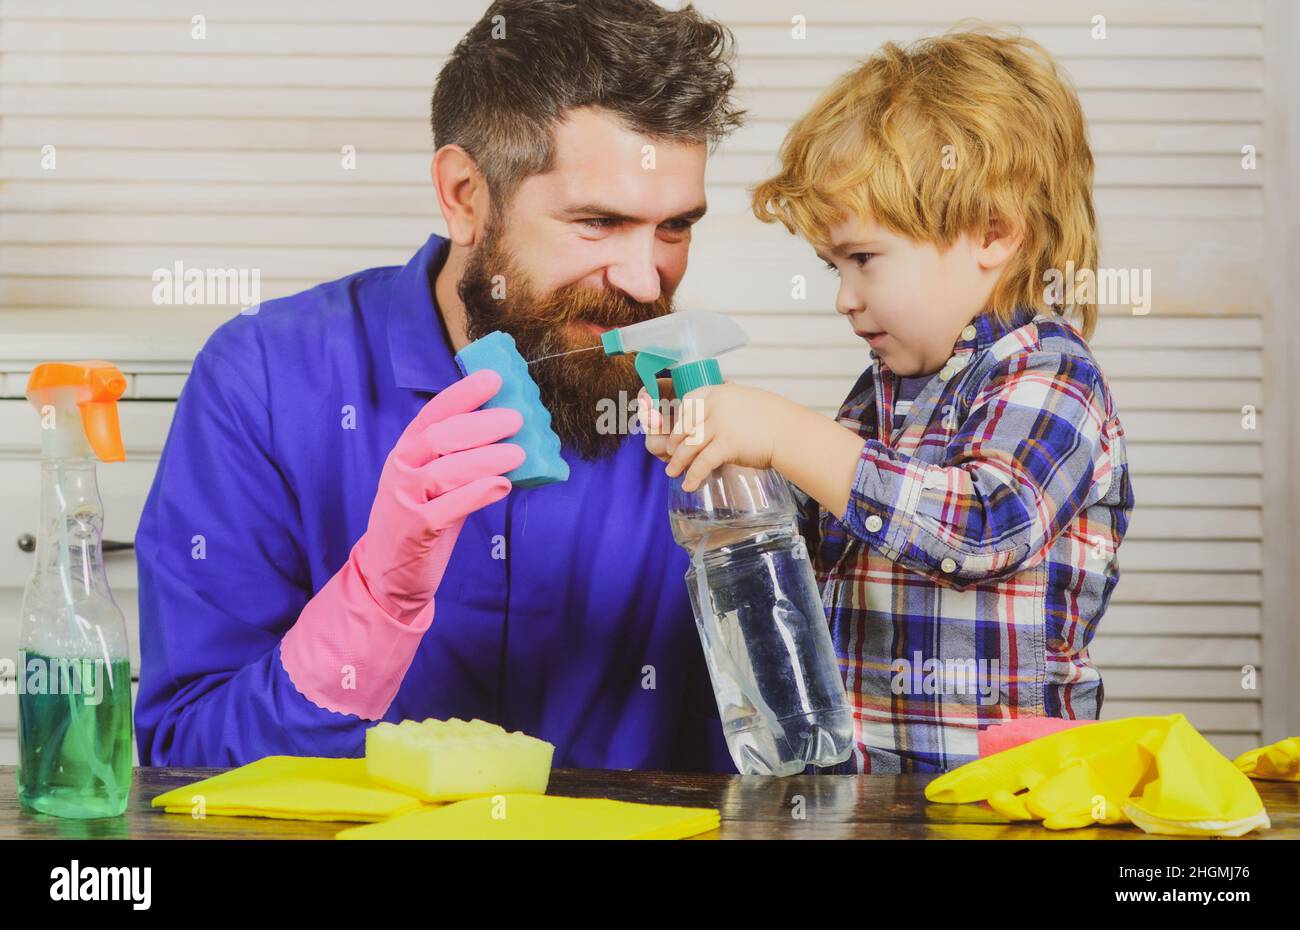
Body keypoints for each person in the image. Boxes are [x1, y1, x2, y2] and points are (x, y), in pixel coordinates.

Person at [134, 0, 744, 768]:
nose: (645, 277)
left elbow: (755, 771)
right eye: (597, 222)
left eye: (675, 227)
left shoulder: (691, 418)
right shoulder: (260, 379)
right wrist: (376, 600)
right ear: (464, 195)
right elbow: (182, 755)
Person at [641, 28, 1135, 773]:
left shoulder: (1053, 377)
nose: (843, 298)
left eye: (864, 259)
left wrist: (785, 433)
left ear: (992, 233)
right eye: (831, 265)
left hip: (1006, 805)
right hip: (871, 796)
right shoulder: (881, 394)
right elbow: (817, 539)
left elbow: (979, 530)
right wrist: (731, 467)